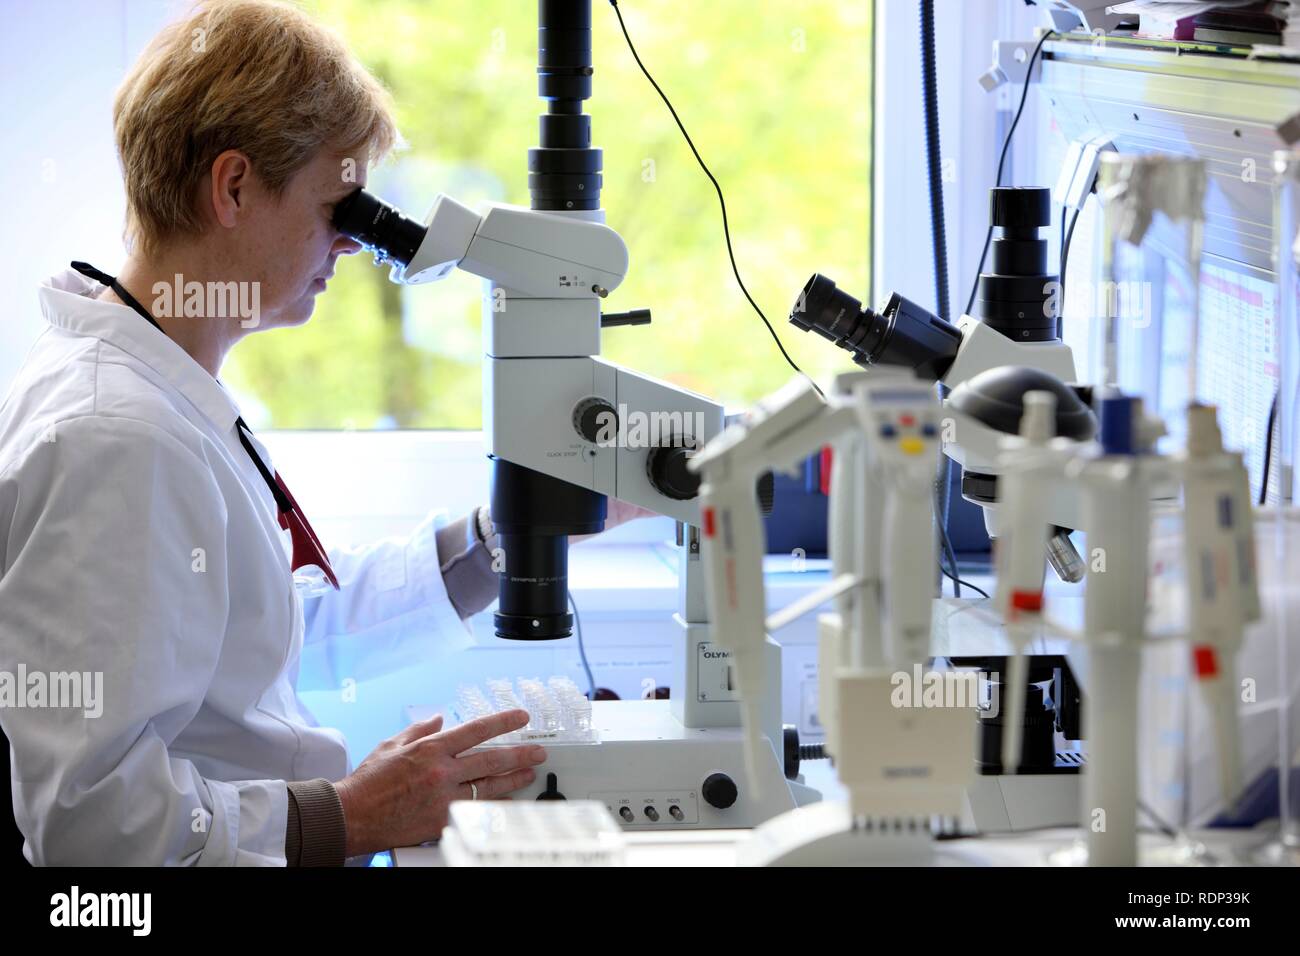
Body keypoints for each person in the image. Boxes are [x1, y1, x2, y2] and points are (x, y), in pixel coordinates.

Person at [0, 0, 638, 866]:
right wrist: (346, 815)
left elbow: (265, 635)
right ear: (233, 188)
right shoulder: (119, 437)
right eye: (341, 205)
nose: (350, 244)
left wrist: (505, 540)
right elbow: (92, 824)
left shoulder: (157, 382)